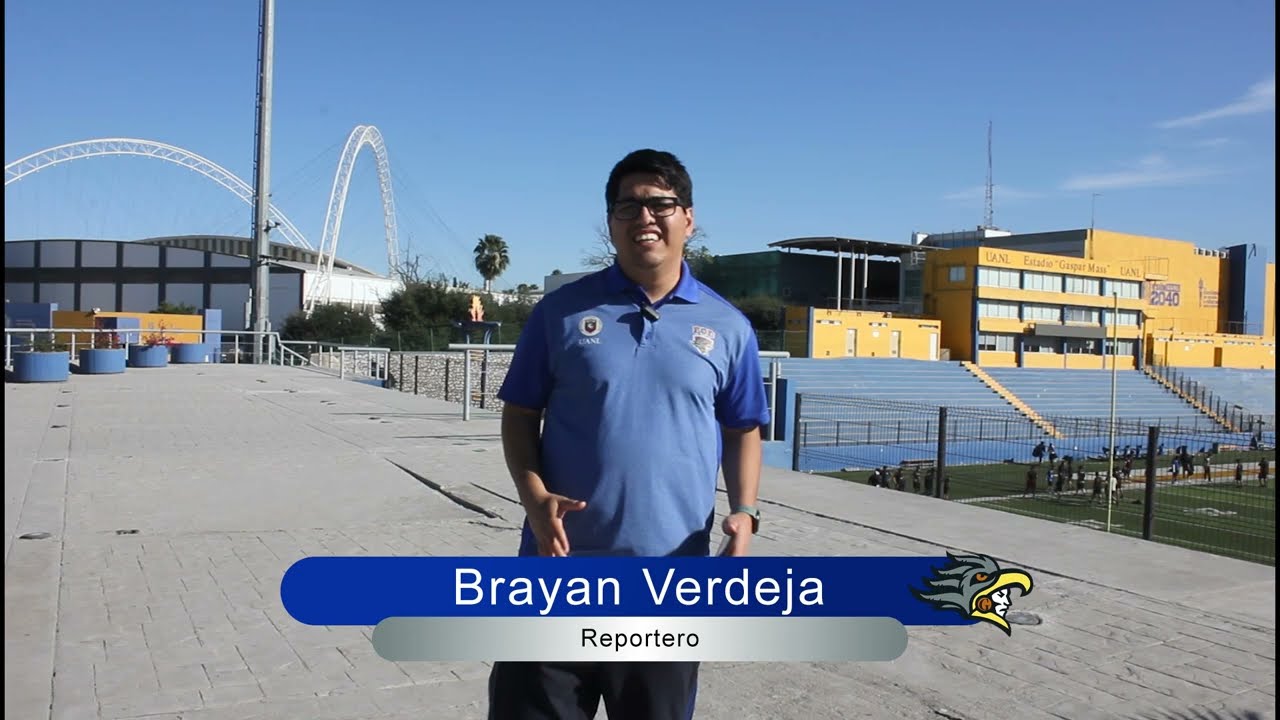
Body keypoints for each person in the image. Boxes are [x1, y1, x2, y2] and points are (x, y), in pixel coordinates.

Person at [488, 149, 770, 720]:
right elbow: (519, 414)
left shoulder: (728, 327)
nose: (645, 217)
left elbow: (743, 428)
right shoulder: (561, 313)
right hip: (555, 573)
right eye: (628, 206)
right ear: (610, 223)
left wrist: (744, 510)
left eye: (660, 203)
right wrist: (533, 496)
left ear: (688, 218)